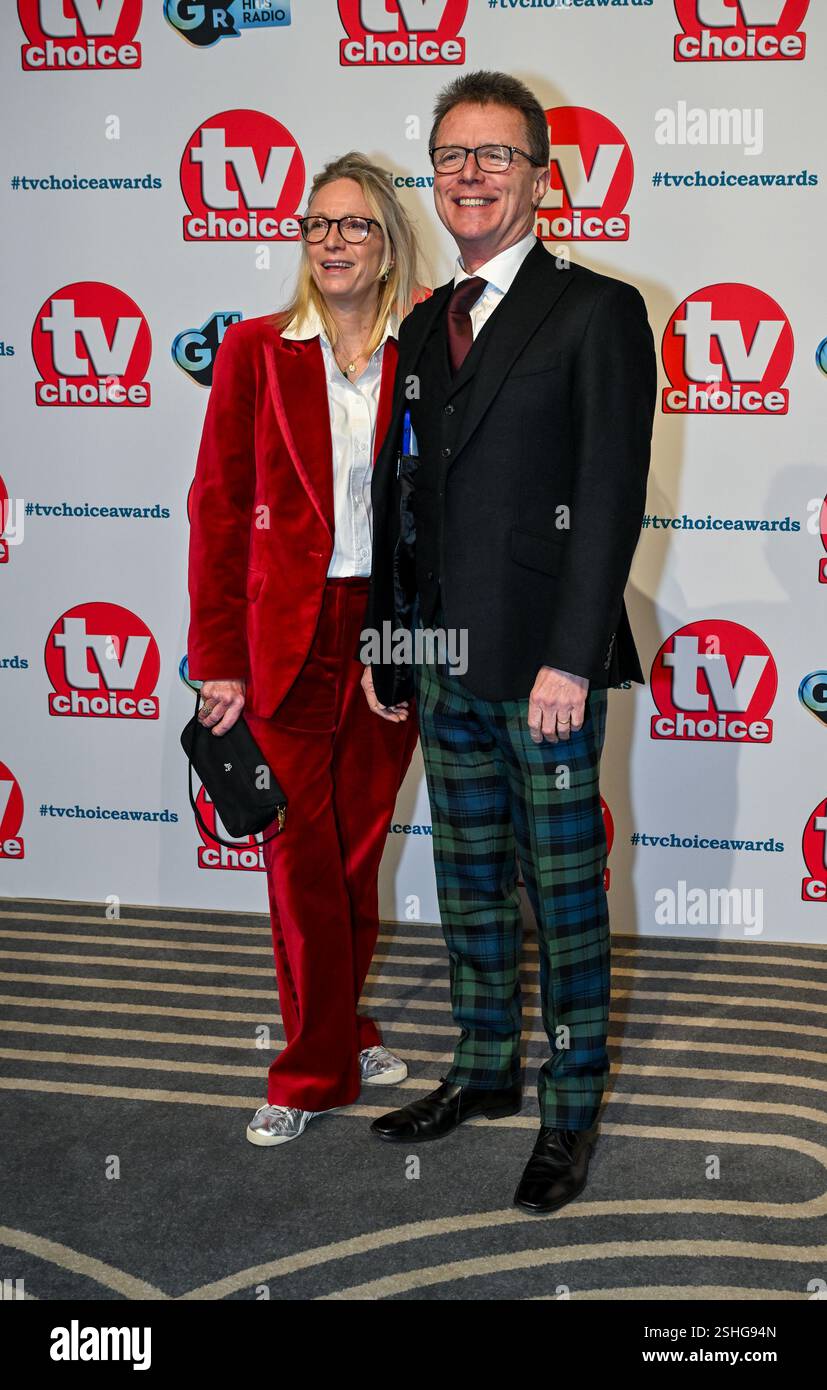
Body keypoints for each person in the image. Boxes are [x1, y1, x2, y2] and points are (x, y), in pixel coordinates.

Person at [361, 72, 657, 1213]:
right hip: (442, 660)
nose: (469, 174)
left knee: (562, 892)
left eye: (493, 155)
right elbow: (407, 503)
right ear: (431, 176)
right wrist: (394, 648)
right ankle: (484, 1068)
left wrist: (570, 658)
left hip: (544, 670)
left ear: (541, 176)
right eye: (450, 156)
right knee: (469, 883)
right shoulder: (426, 321)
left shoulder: (597, 310)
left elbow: (608, 492)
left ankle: (568, 1105)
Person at [187, 152, 421, 1147]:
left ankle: (341, 1021)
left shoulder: (428, 357)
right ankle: (306, 1068)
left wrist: (403, 634)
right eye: (318, 224)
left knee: (357, 853)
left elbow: (436, 518)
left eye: (354, 225)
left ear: (385, 247)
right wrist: (218, 659)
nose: (332, 239)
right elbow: (217, 506)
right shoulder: (254, 349)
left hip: (390, 627)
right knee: (297, 858)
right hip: (283, 631)